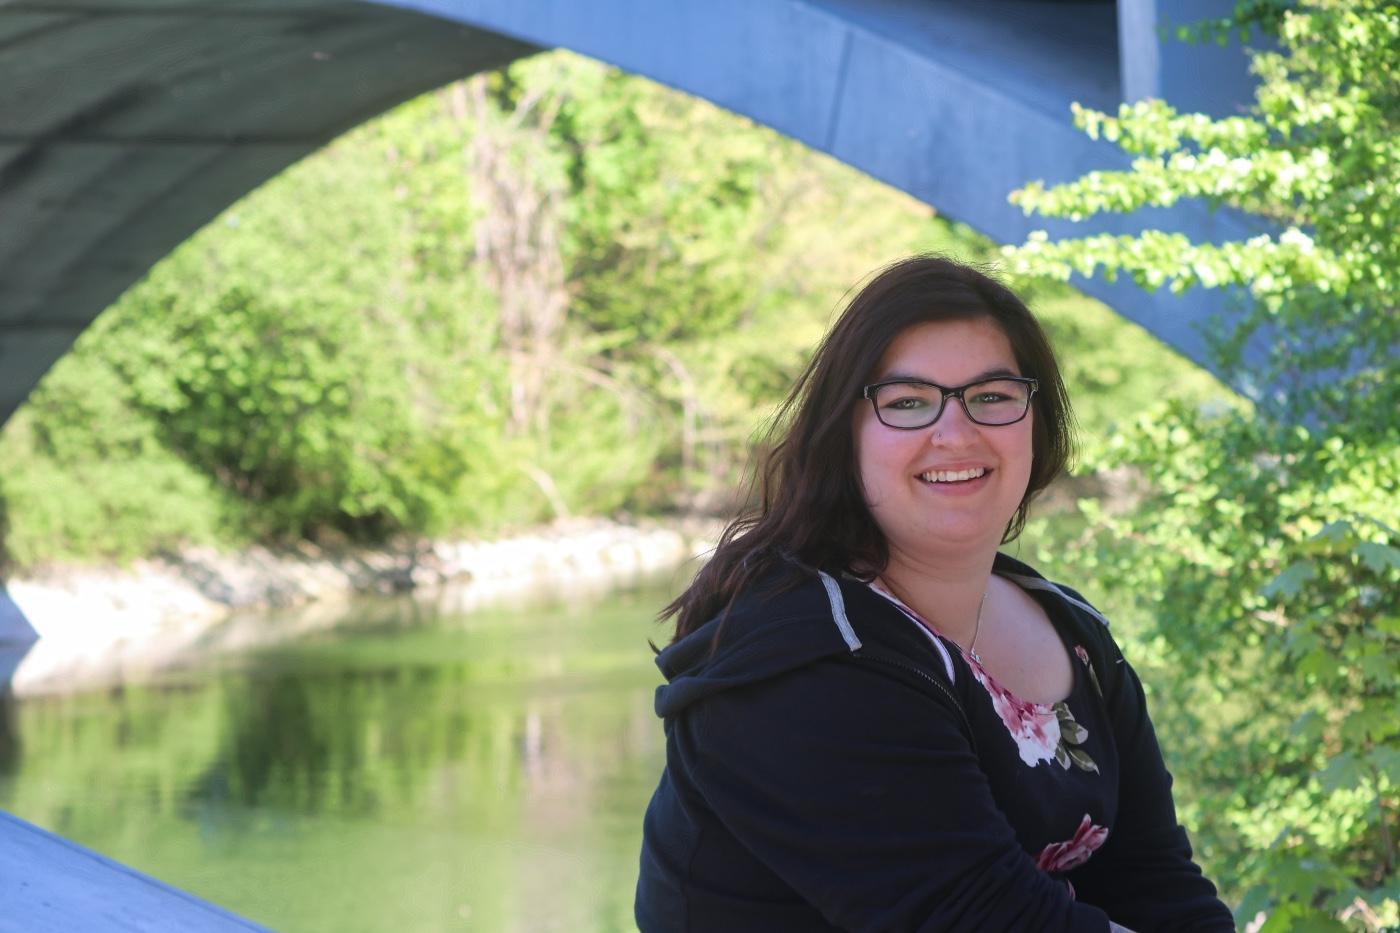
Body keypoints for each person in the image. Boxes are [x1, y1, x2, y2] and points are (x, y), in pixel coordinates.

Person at [634, 256, 1235, 931]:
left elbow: (1156, 878)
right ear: (845, 433)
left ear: (1037, 420)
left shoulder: (1072, 632)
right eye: (909, 401)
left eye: (993, 395)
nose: (955, 431)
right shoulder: (807, 658)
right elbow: (981, 919)